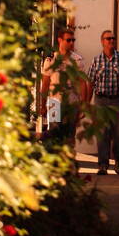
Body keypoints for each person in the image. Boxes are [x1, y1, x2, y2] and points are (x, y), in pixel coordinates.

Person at [86, 30, 119, 176]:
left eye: (113, 38)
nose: (111, 41)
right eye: (108, 39)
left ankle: (118, 160)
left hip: (118, 100)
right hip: (101, 100)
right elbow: (90, 82)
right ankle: (102, 164)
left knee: (118, 134)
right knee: (102, 133)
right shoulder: (97, 60)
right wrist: (88, 103)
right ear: (102, 41)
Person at [41, 26, 87, 157]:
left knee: (69, 135)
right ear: (60, 40)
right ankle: (56, 164)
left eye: (73, 40)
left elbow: (82, 83)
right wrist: (43, 104)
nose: (72, 43)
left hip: (71, 103)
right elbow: (45, 83)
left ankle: (67, 164)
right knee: (55, 133)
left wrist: (83, 105)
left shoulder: (77, 60)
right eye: (68, 40)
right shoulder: (51, 60)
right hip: (54, 103)